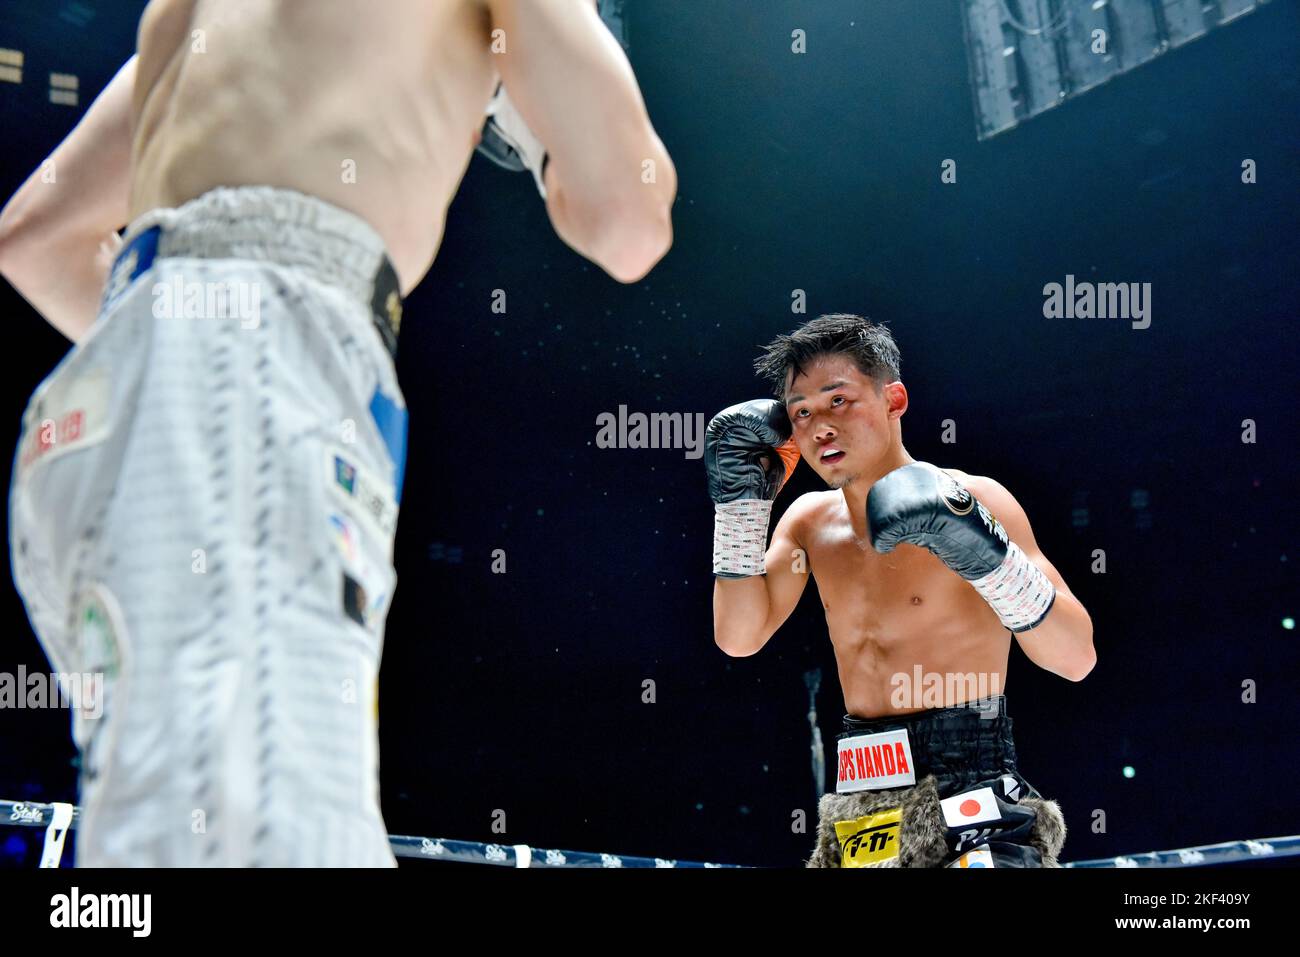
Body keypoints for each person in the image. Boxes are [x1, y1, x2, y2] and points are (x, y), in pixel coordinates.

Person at [0, 0, 675, 866]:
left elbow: (35, 239)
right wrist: (536, 122)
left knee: (180, 832)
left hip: (103, 415)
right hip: (244, 378)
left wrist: (179, 366)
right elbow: (627, 221)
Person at [705, 314, 1094, 867]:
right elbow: (738, 638)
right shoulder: (808, 522)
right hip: (863, 793)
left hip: (971, 775)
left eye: (839, 401)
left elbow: (1076, 657)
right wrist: (740, 508)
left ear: (894, 399)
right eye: (803, 412)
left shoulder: (974, 498)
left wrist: (984, 556)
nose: (820, 426)